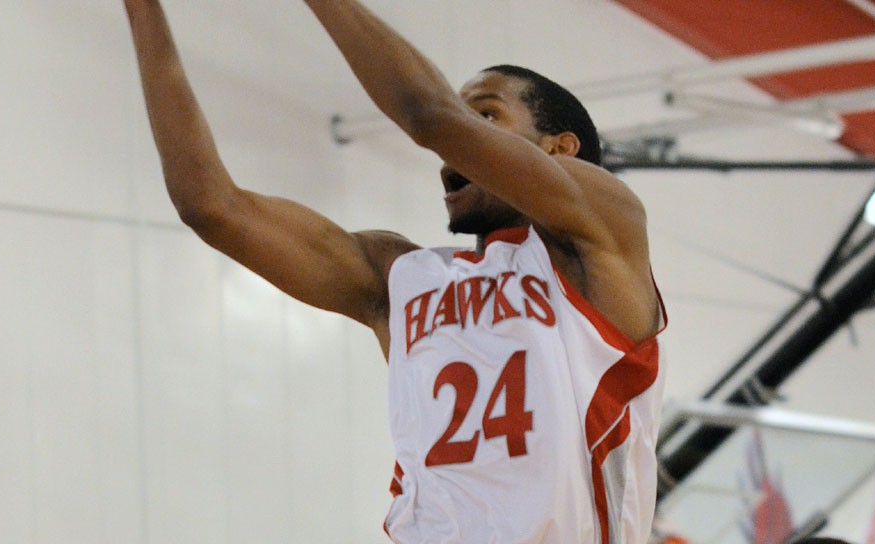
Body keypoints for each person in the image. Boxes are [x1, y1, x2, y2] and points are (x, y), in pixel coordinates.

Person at [124, 1, 667, 543]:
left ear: (561, 150)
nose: (460, 144)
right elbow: (211, 207)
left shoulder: (603, 234)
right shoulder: (402, 278)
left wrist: (445, 120)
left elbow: (429, 114)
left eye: (485, 115)